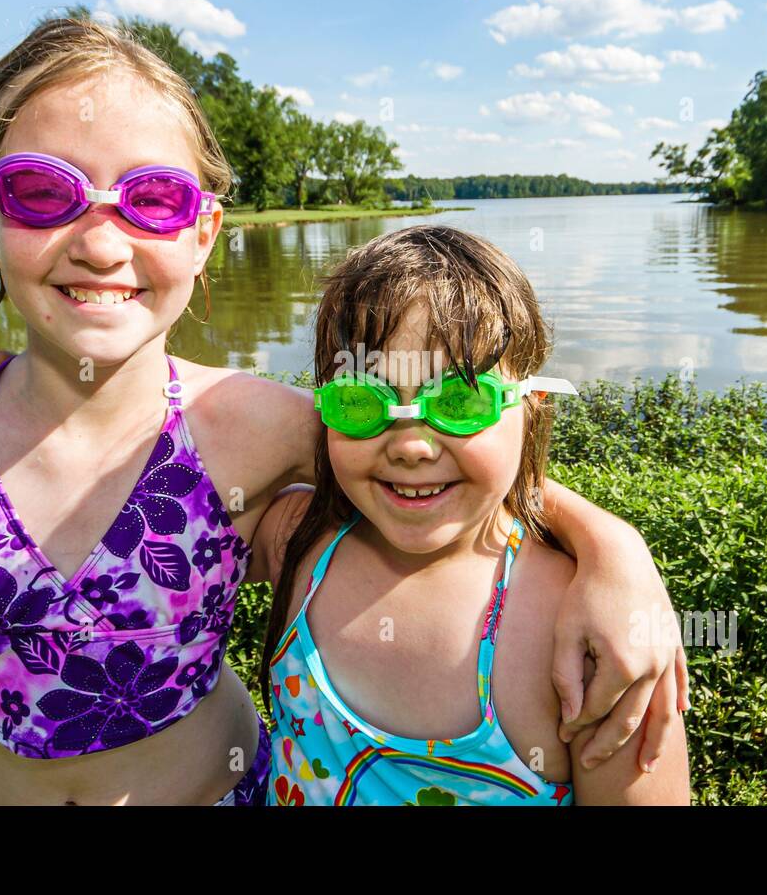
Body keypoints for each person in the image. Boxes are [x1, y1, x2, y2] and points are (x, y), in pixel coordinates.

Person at [0, 18, 687, 806]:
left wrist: (617, 552)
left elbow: (446, 453)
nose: (101, 245)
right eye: (43, 191)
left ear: (204, 232)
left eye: (152, 198)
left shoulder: (255, 423)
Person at [248, 226, 689, 804]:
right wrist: (613, 543)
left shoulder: (584, 635)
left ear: (534, 405)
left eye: (460, 402)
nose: (411, 445)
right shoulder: (296, 542)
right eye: (360, 400)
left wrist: (615, 551)